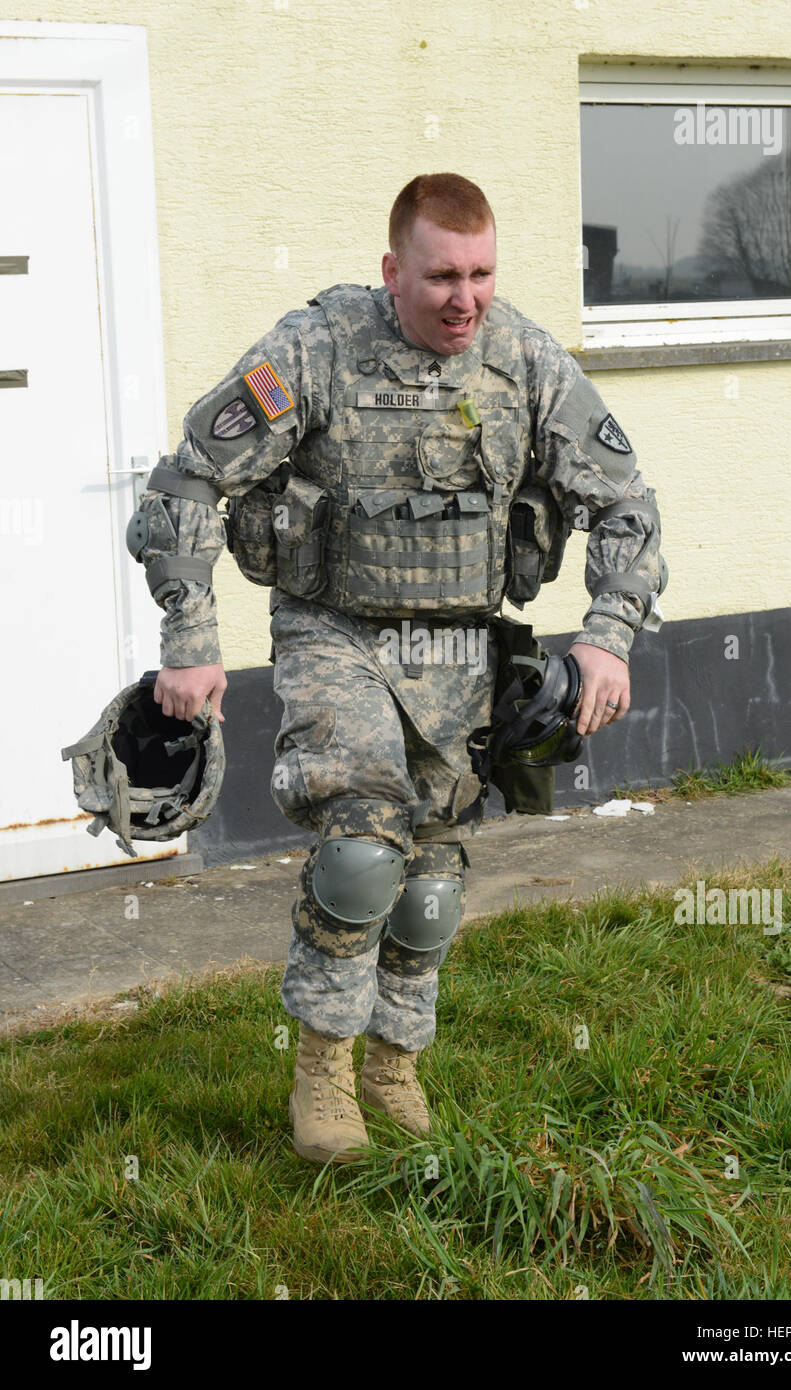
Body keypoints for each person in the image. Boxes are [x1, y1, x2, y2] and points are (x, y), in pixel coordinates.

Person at [128, 173, 665, 1165]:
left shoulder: (525, 360)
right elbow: (187, 484)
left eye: (481, 273)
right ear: (392, 271)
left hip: (460, 646)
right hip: (336, 632)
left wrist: (607, 632)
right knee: (366, 839)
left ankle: (394, 1058)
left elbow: (628, 501)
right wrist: (192, 641)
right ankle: (323, 1067)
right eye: (441, 277)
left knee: (430, 881)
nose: (465, 298)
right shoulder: (315, 350)